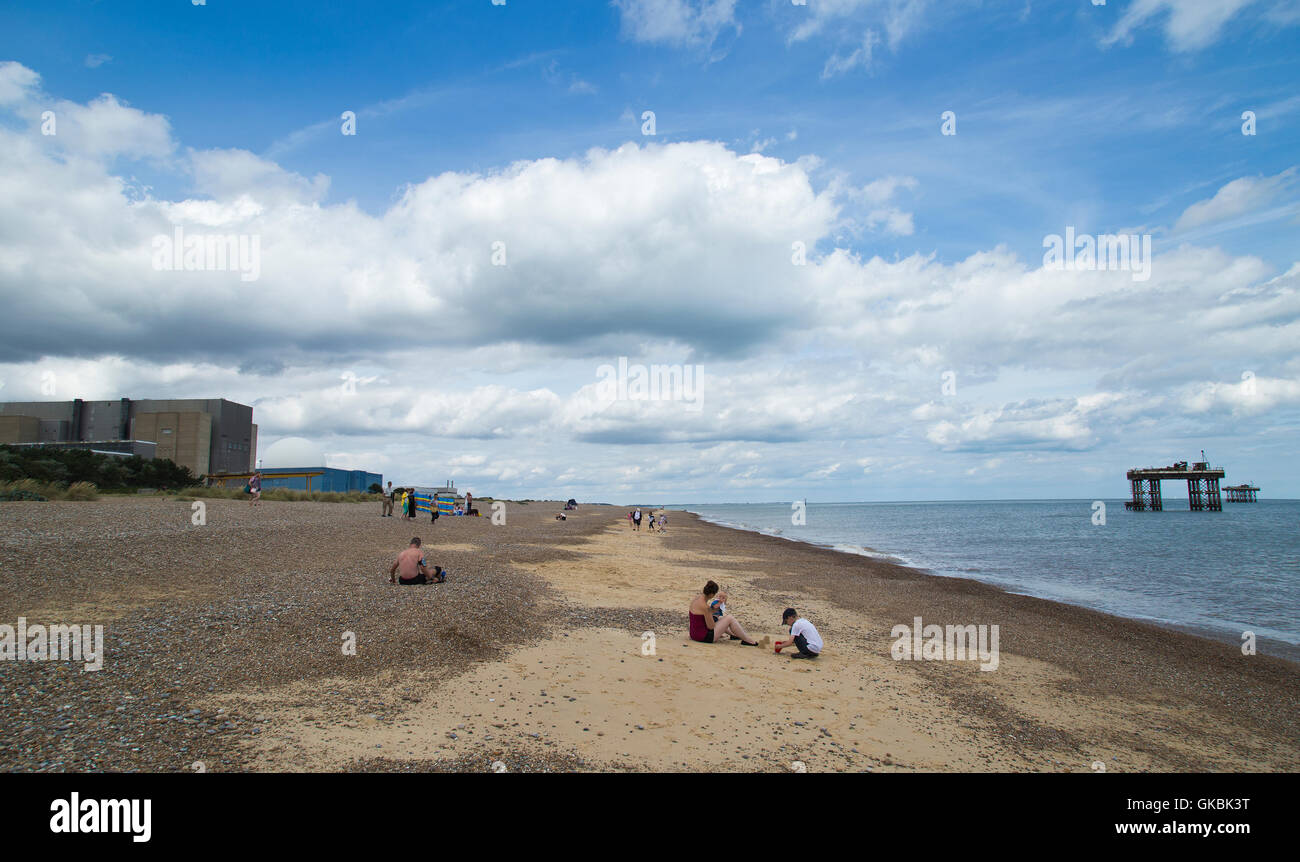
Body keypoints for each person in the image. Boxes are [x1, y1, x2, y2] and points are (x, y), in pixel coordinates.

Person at [689, 581, 758, 646]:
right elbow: (711, 626)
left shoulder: (697, 599)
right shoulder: (705, 607)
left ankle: (733, 635)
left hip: (694, 634)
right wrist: (715, 619)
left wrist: (716, 611)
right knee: (729, 618)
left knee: (720, 618)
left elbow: (702, 615)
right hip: (704, 637)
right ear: (712, 594)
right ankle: (748, 640)